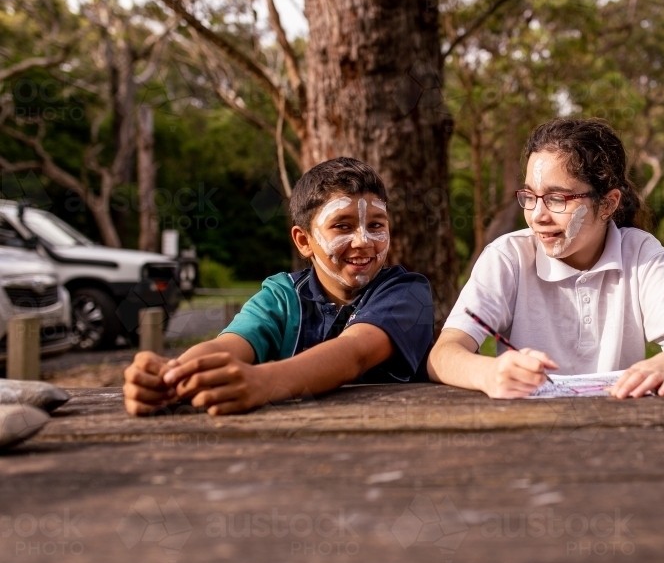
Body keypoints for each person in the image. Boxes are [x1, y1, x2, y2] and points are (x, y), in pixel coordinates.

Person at [427, 118, 664, 399]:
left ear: (607, 204)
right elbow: (442, 355)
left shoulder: (640, 254)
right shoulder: (508, 257)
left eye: (557, 199)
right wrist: (489, 373)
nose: (538, 216)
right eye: (529, 197)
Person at [123, 157, 434, 416]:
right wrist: (174, 376)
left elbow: (354, 353)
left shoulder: (406, 292)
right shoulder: (282, 296)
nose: (364, 240)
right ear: (303, 241)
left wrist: (264, 382)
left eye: (376, 225)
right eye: (342, 225)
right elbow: (229, 345)